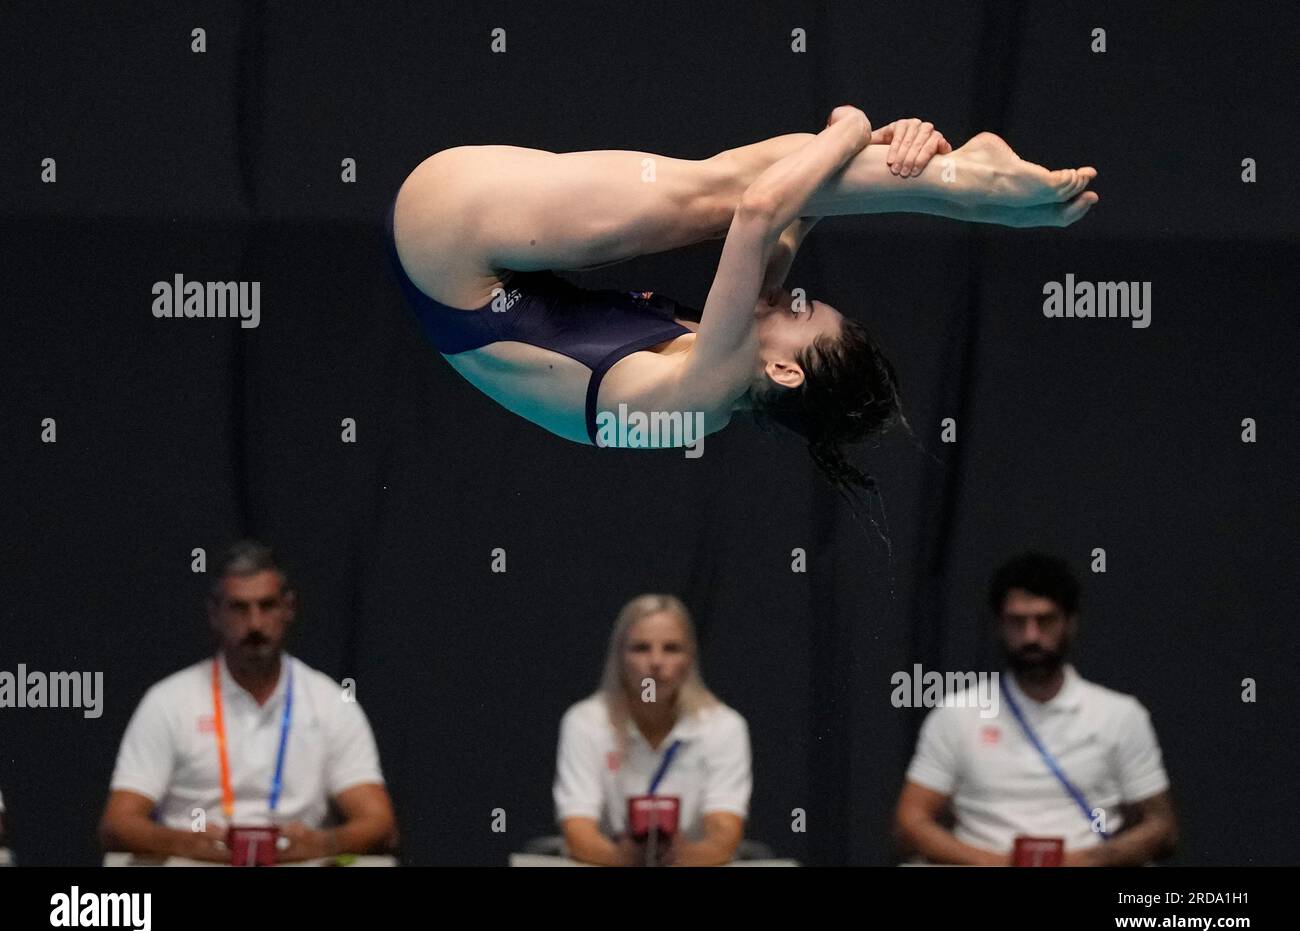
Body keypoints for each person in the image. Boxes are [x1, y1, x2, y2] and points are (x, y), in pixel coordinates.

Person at [387, 106, 1098, 496]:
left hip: (449, 241)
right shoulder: (731, 382)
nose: (786, 297)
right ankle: (968, 180)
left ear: (787, 371)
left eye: (798, 312)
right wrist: (900, 147)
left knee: (719, 195)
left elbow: (761, 213)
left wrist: (851, 129)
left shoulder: (706, 389)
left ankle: (982, 197)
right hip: (466, 264)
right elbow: (796, 209)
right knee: (744, 180)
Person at [99, 541, 397, 863]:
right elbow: (117, 824)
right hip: (198, 862)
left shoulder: (330, 702)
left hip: (295, 862)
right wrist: (186, 844)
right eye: (239, 608)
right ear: (215, 613)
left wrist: (319, 844)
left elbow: (380, 823)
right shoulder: (169, 700)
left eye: (266, 606)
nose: (254, 624)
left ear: (288, 609)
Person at [894, 552, 1178, 866]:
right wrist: (997, 864)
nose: (1031, 636)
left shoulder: (1121, 715)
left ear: (1070, 622)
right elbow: (911, 820)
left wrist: (1086, 861)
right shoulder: (956, 714)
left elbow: (1161, 825)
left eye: (1045, 621)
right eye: (1017, 622)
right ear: (999, 625)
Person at [553, 595, 751, 866]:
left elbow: (725, 833)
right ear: (619, 657)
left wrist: (685, 857)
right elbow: (577, 827)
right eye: (641, 648)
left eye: (671, 648)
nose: (656, 662)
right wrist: (621, 858)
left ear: (689, 658)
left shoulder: (723, 727)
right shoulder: (586, 722)